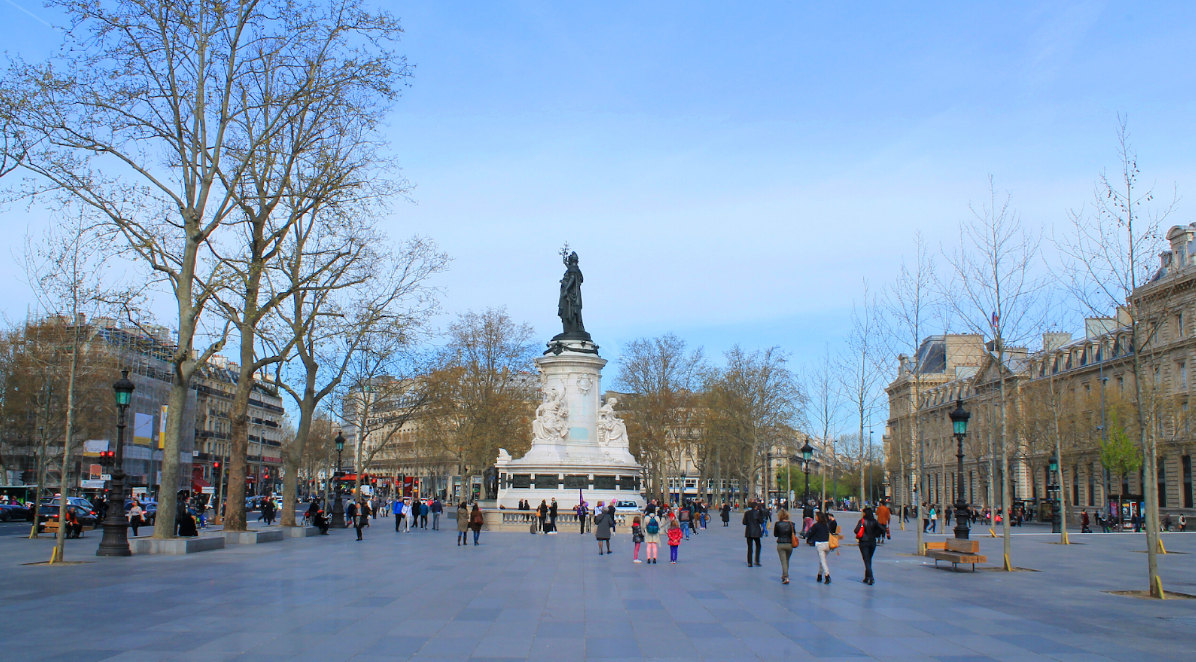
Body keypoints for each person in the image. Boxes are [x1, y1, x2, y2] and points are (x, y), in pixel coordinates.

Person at [854, 507, 882, 585]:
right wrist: (876, 534)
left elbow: (856, 530)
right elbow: (882, 528)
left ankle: (871, 577)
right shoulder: (874, 521)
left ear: (865, 513)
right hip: (872, 542)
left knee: (866, 560)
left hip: (863, 542)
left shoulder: (862, 521)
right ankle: (866, 577)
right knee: (869, 559)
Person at [773, 509, 797, 585]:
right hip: (789, 544)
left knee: (783, 561)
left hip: (781, 544)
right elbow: (794, 534)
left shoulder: (777, 524)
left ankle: (785, 576)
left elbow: (775, 534)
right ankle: (785, 574)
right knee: (787, 560)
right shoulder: (792, 524)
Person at [808, 512, 832, 584]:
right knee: (822, 560)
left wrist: (808, 539)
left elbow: (811, 534)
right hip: (827, 544)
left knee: (823, 561)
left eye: (816, 516)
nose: (815, 517)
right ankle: (819, 575)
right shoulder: (826, 525)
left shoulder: (816, 525)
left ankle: (827, 576)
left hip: (820, 545)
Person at [743, 501, 763, 567]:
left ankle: (750, 562)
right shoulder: (757, 513)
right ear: (756, 507)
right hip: (756, 531)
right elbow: (761, 521)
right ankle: (757, 560)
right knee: (758, 546)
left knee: (749, 547)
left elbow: (744, 522)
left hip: (749, 531)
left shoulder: (747, 513)